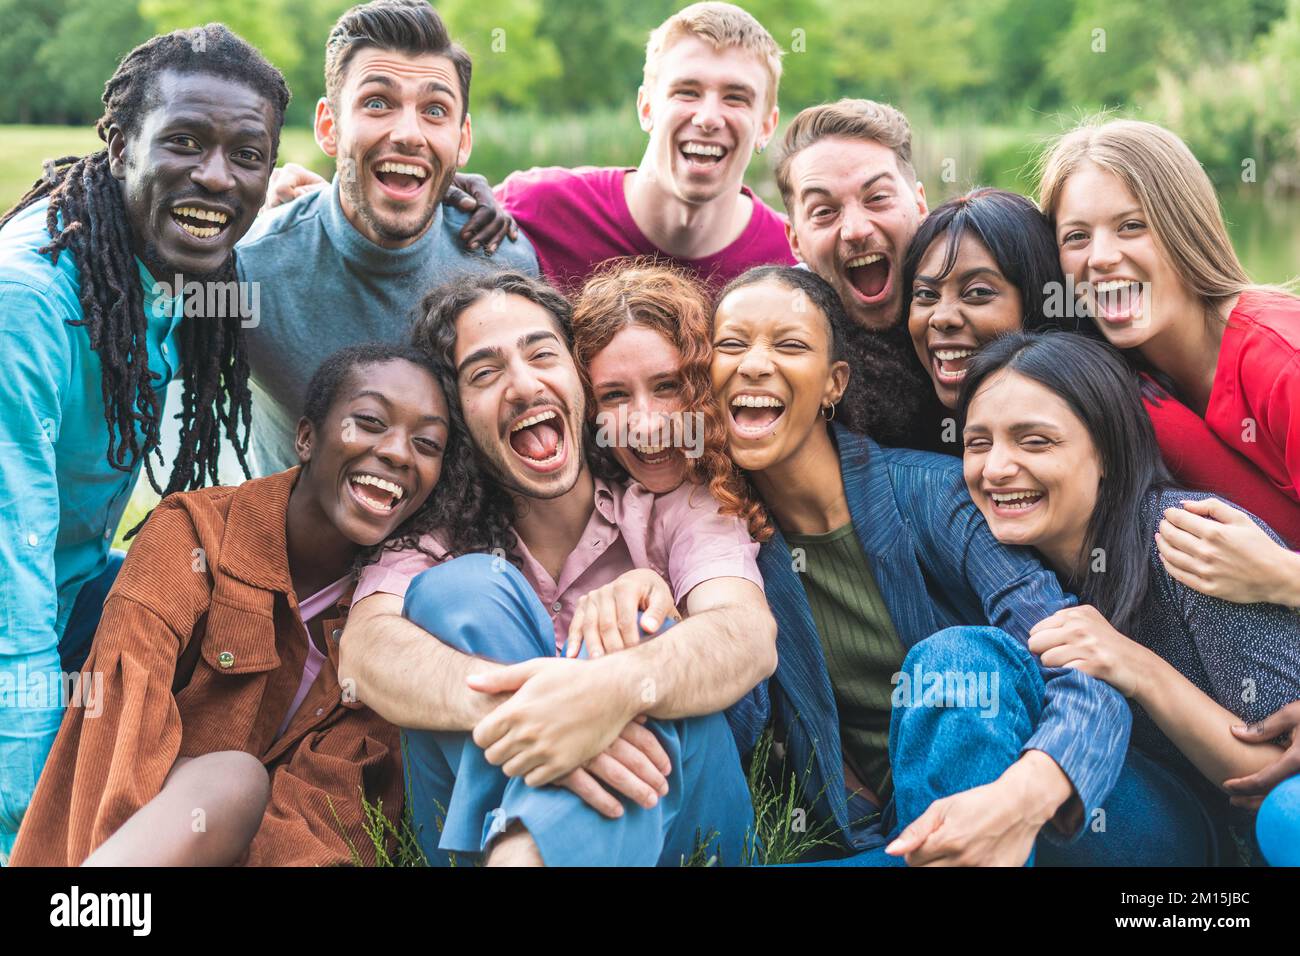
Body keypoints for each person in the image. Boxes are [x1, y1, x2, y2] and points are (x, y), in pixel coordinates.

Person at [338, 270, 774, 866]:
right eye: (485, 373)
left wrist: (609, 691)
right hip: (481, 832)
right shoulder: (436, 538)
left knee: (633, 627)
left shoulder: (675, 503)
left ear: (579, 381)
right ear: (458, 413)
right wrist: (545, 713)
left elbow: (745, 635)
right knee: (461, 591)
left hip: (685, 832)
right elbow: (364, 652)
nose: (522, 385)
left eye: (542, 354)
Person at [711, 265, 1130, 866]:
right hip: (894, 841)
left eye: (789, 344)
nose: (753, 363)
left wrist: (1015, 800)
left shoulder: (933, 494)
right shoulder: (733, 550)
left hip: (1065, 812)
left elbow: (1088, 673)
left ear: (834, 384)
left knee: (955, 661)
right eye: (732, 344)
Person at [10, 343, 486, 866]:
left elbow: (328, 823)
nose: (398, 452)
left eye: (427, 443)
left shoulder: (393, 622)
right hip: (126, 858)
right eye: (370, 422)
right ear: (305, 437)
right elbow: (118, 740)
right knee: (232, 779)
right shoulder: (191, 535)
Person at [0, 25, 289, 862]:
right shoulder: (27, 305)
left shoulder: (169, 266)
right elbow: (10, 578)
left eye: (247, 155)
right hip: (23, 623)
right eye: (185, 142)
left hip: (69, 600)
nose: (216, 176)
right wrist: (29, 817)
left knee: (231, 597)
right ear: (120, 143)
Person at [959, 332, 1300, 864]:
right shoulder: (1000, 563)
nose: (996, 468)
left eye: (1035, 441)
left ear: (1107, 455)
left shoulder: (1189, 540)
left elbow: (1278, 781)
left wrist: (1138, 667)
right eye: (978, 443)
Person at [238, 0, 538, 477]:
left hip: (460, 545)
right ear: (329, 127)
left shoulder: (507, 267)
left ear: (462, 141)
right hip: (291, 547)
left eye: (435, 110)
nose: (408, 133)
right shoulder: (249, 272)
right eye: (377, 103)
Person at [1038, 117, 1300, 596]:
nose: (1100, 257)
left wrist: (1281, 578)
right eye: (1076, 237)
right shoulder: (1119, 377)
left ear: (1184, 225)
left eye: (1131, 226)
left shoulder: (1283, 361)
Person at [772, 98, 942, 449]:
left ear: (920, 204)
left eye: (877, 197)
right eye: (824, 211)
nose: (855, 230)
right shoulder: (782, 360)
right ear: (795, 239)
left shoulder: (989, 303)